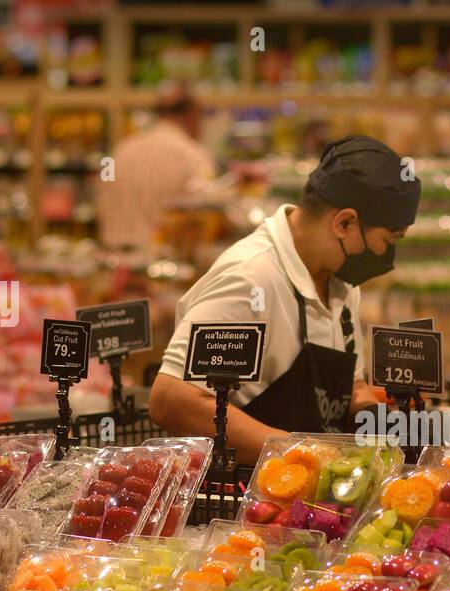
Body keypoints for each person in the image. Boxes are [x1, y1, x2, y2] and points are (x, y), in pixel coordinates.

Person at [149, 135, 421, 461]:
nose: (388, 254)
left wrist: (372, 416)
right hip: (245, 496)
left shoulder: (342, 282)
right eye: (389, 239)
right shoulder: (252, 280)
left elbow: (349, 387)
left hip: (313, 495)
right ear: (344, 223)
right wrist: (306, 454)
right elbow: (173, 400)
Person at [97, 86, 216, 250]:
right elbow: (204, 209)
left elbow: (102, 194)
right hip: (164, 265)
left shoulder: (118, 152)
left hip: (113, 260)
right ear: (192, 115)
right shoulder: (193, 155)